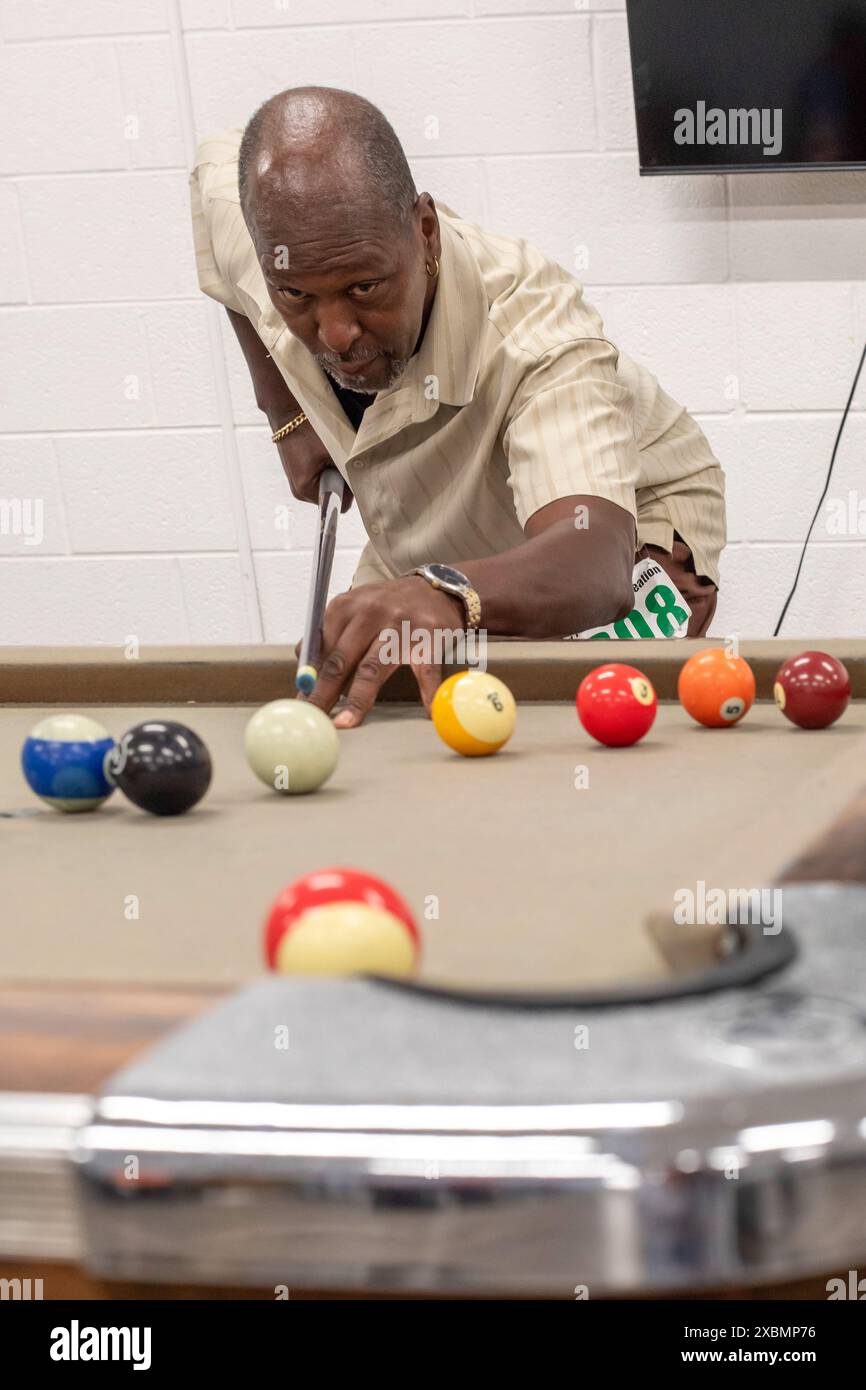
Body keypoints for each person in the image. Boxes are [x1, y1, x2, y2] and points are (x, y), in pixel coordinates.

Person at [190, 86, 725, 727]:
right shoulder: (277, 234)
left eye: (365, 286)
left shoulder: (537, 333)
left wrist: (444, 590)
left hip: (624, 528)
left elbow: (594, 557)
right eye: (296, 295)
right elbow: (211, 182)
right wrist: (285, 415)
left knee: (562, 730)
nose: (334, 333)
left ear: (425, 233)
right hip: (423, 529)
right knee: (365, 710)